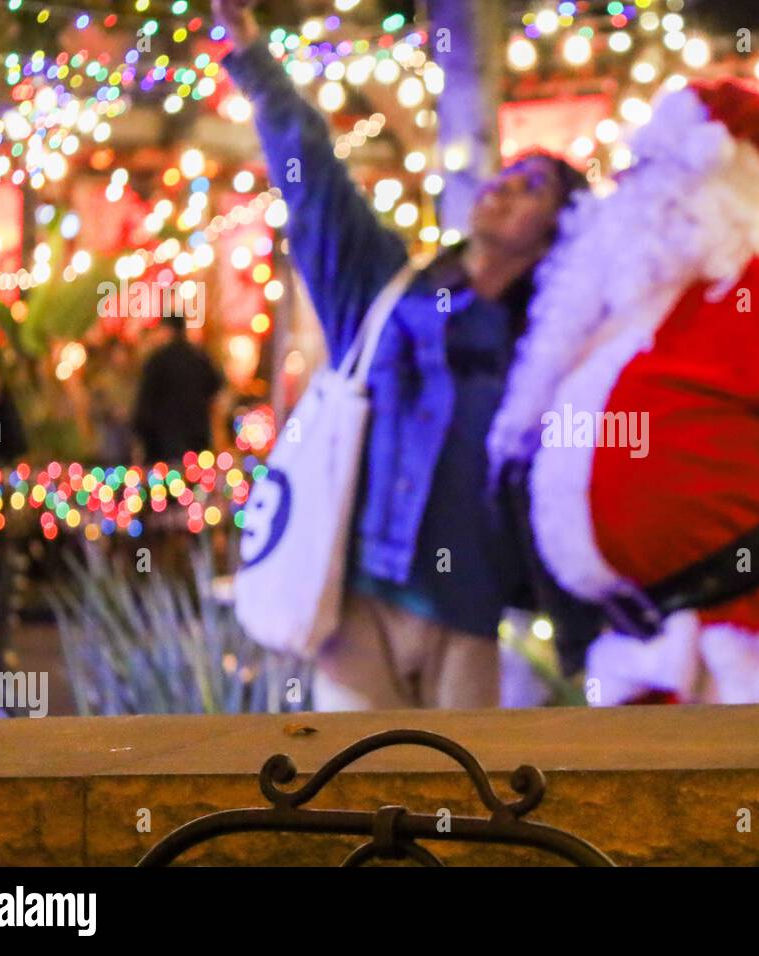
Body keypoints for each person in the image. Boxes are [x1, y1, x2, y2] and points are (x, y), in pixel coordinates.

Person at [214, 0, 586, 710]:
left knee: (460, 805)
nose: (505, 186)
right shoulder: (384, 290)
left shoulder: (552, 346)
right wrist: (253, 56)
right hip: (358, 604)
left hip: (471, 614)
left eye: (533, 186)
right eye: (508, 174)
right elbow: (312, 177)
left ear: (555, 232)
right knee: (357, 792)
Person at [488, 80, 759, 705]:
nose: (633, 191)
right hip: (636, 658)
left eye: (655, 171)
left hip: (753, 659)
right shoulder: (621, 318)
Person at [132, 312, 224, 463]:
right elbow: (215, 385)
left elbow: (146, 400)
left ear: (167, 330)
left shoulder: (158, 360)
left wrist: (141, 429)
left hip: (162, 439)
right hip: (196, 434)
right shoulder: (198, 357)